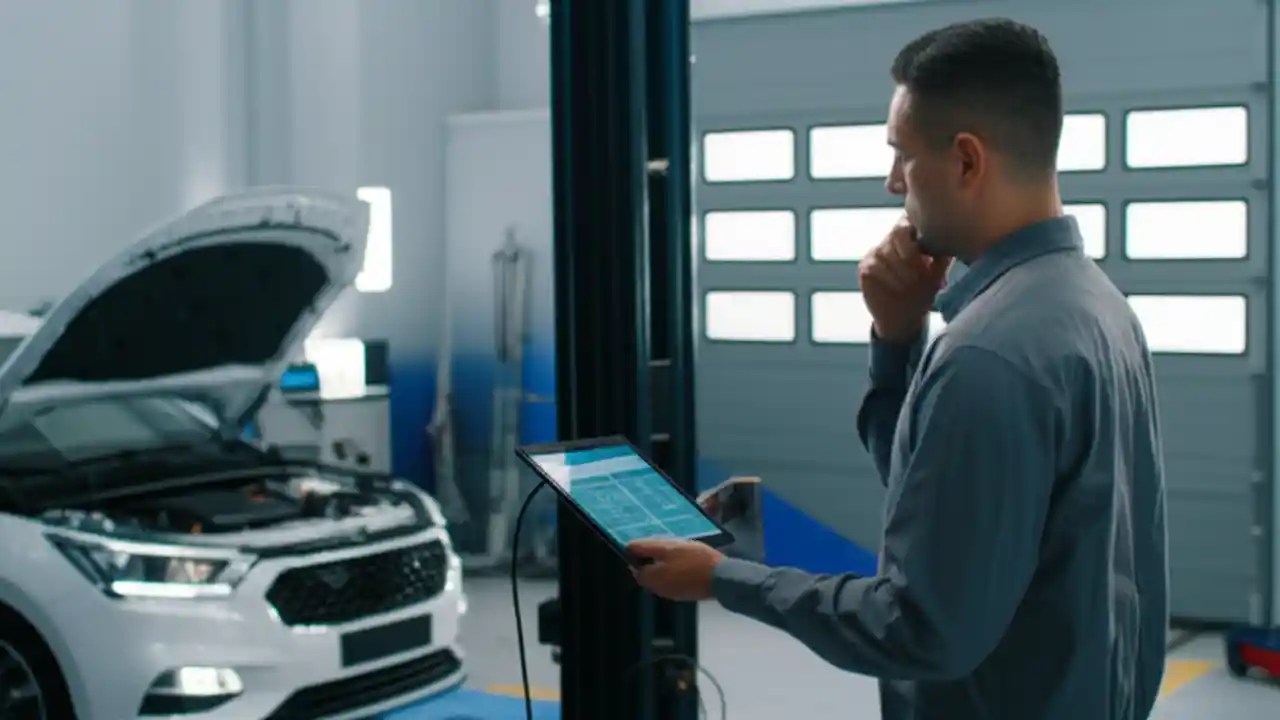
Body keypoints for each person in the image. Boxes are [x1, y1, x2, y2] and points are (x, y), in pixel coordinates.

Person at [628, 17, 1169, 720]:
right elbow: (952, 510)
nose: (892, 184)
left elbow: (922, 628)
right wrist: (898, 335)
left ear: (968, 161)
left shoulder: (989, 354)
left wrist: (726, 580)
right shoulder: (1097, 308)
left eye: (902, 156)